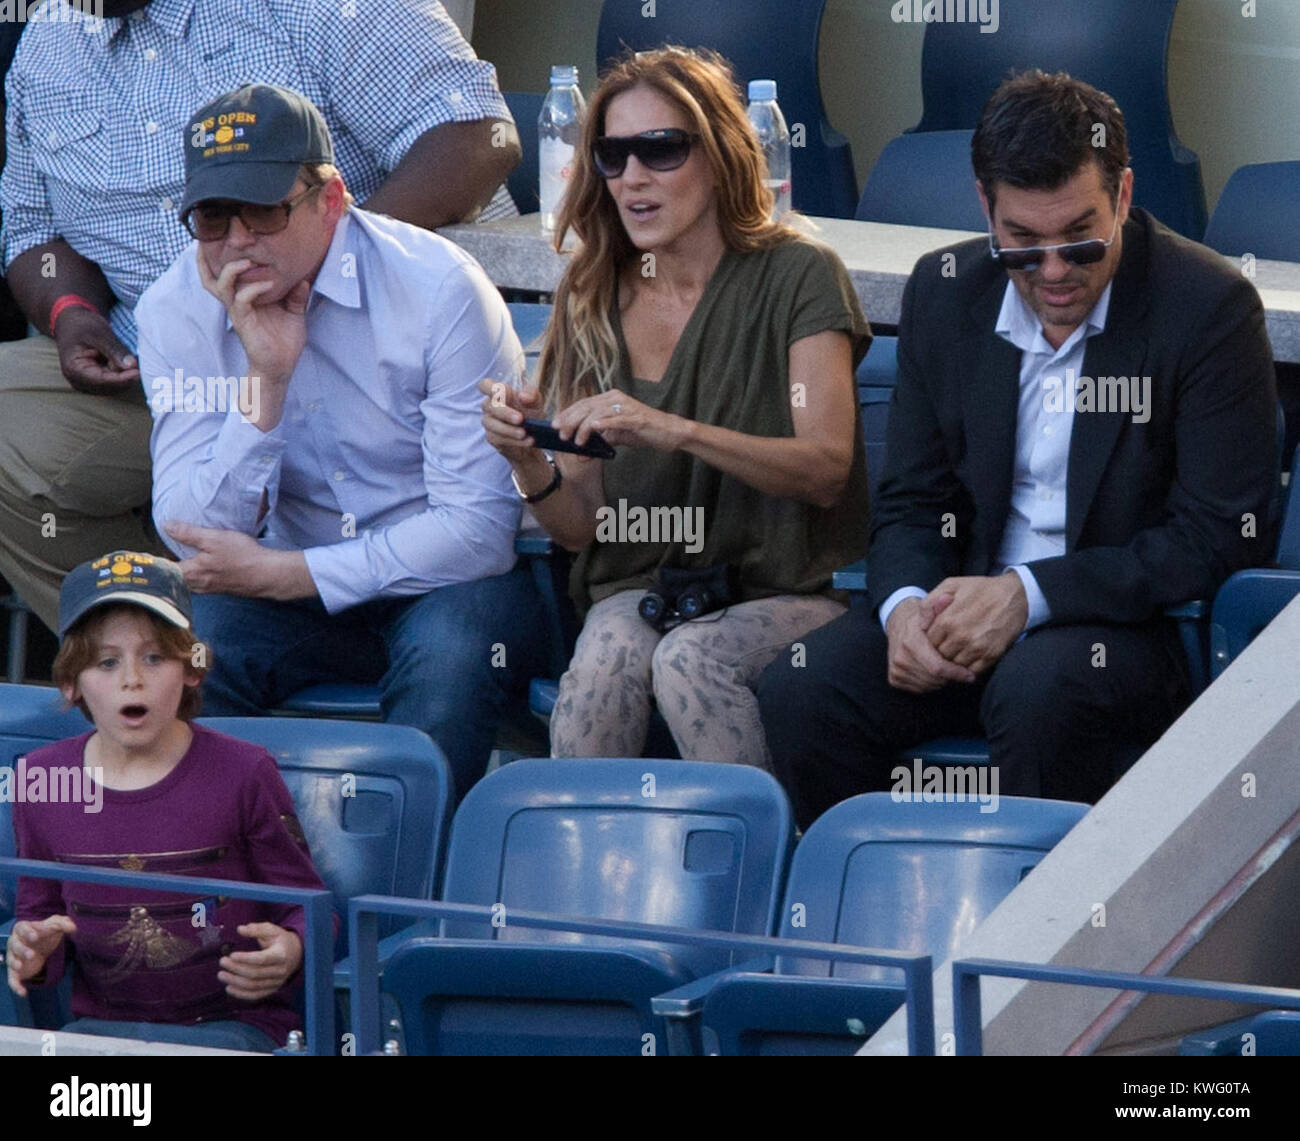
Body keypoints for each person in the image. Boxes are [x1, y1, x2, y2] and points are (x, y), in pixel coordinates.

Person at [758, 71, 1279, 828]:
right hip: (961, 607)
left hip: (1118, 627)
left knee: (1039, 690)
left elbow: (1217, 534)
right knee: (804, 690)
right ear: (986, 210)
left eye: (1081, 237)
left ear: (1125, 195)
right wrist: (905, 609)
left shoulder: (1208, 308)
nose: (1056, 271)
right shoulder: (945, 292)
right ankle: (882, 904)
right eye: (1024, 246)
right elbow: (911, 501)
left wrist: (1027, 597)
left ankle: (1032, 933)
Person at [0, 0, 521, 632]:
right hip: (155, 349)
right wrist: (71, 314)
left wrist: (323, 274)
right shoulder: (50, 34)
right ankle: (134, 654)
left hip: (365, 342)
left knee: (452, 620)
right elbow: (30, 226)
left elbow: (474, 134)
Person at [139, 84, 542, 800]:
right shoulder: (175, 309)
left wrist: (292, 573)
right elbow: (192, 535)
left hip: (441, 579)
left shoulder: (439, 288)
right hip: (283, 589)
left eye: (263, 210)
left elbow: (478, 531)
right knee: (182, 655)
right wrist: (265, 386)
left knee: (449, 662)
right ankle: (212, 888)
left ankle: (398, 903)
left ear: (332, 200)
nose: (237, 240)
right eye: (211, 216)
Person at [481, 48, 871, 769]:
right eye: (613, 155)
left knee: (692, 661)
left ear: (720, 154)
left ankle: (756, 871)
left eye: (660, 150)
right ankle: (587, 865)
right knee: (603, 662)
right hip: (645, 587)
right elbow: (580, 529)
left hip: (793, 590)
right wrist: (527, 463)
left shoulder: (798, 274)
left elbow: (824, 469)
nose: (633, 178)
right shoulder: (589, 294)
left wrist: (674, 430)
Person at [6, 550, 330, 1053]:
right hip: (100, 1036)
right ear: (71, 683)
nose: (131, 679)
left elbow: (309, 905)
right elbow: (39, 914)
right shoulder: (41, 779)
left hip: (231, 1030)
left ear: (192, 669)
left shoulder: (245, 771)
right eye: (106, 662)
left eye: (154, 657)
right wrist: (32, 951)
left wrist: (292, 948)